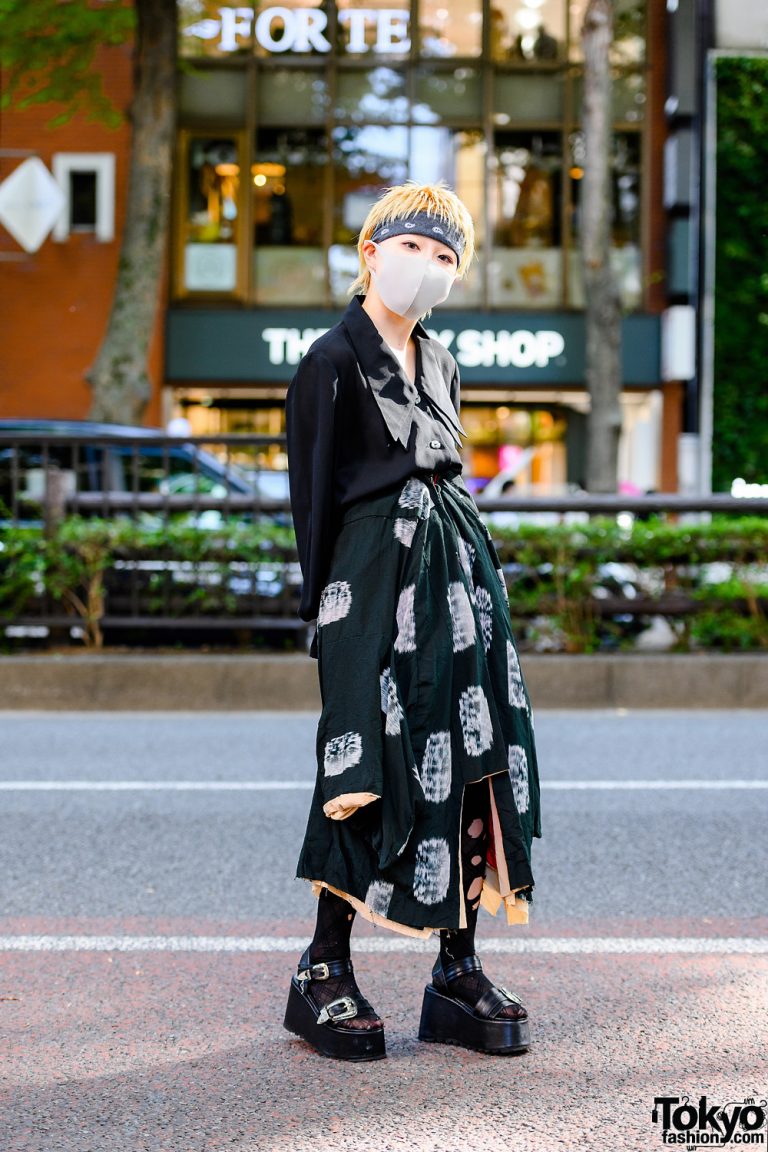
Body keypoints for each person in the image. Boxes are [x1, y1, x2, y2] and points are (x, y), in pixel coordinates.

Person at [283, 181, 542, 1062]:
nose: (429, 267)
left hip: (455, 572)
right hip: (367, 576)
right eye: (415, 248)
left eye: (446, 257)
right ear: (370, 250)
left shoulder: (440, 360)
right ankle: (323, 967)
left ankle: (456, 965)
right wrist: (328, 622)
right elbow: (313, 504)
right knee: (364, 756)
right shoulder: (329, 359)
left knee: (472, 756)